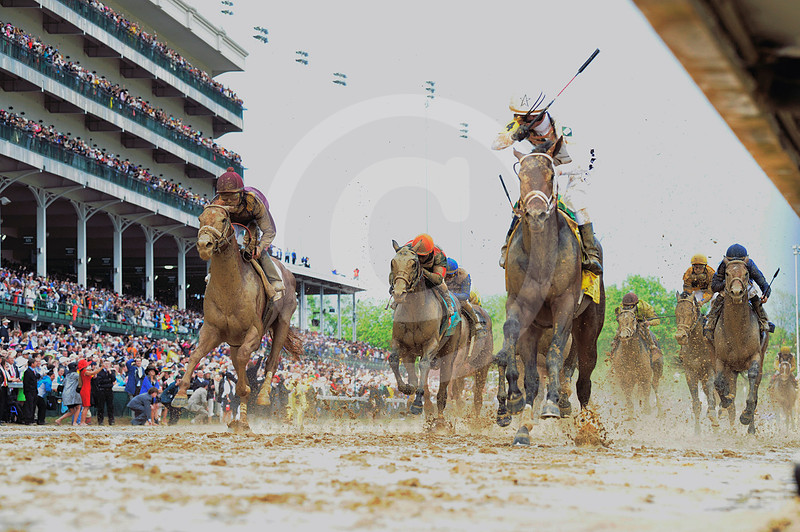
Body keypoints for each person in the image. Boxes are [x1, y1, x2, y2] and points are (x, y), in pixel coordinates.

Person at [492, 92, 602, 275]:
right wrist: (513, 136)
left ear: (534, 116)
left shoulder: (564, 124)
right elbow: (495, 144)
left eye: (522, 119)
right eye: (517, 118)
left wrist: (556, 171)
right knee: (529, 197)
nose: (518, 121)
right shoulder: (520, 123)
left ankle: (591, 253)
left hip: (576, 165)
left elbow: (581, 162)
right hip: (549, 164)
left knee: (574, 198)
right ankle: (507, 246)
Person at [211, 167, 285, 299]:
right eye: (224, 197)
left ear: (240, 194)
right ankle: (212, 273)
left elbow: (269, 230)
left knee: (252, 246)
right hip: (231, 221)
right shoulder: (217, 203)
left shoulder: (254, 202)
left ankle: (275, 281)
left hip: (252, 219)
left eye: (232, 197)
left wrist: (260, 246)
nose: (227, 202)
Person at [704, 243, 772, 341]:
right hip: (728, 286)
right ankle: (710, 322)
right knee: (718, 296)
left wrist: (766, 294)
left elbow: (763, 283)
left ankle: (763, 320)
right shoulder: (723, 265)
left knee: (753, 293)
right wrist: (727, 282)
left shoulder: (750, 264)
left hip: (744, 285)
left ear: (745, 260)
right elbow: (714, 286)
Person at [608, 292, 662, 363]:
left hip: (642, 324)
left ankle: (654, 353)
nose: (627, 308)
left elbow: (657, 320)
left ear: (635, 304)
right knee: (619, 333)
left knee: (650, 334)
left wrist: (649, 322)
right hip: (627, 325)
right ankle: (613, 355)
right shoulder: (619, 308)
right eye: (625, 306)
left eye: (630, 307)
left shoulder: (644, 307)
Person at [398, 234, 449, 303]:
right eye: (417, 255)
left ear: (430, 253)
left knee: (443, 286)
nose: (419, 258)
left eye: (422, 256)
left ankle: (449, 305)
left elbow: (438, 279)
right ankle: (396, 301)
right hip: (412, 269)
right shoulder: (406, 249)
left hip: (431, 272)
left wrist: (422, 269)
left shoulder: (439, 255)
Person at [444, 258, 483, 334]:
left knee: (465, 304)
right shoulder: (440, 272)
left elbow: (465, 295)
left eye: (450, 275)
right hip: (445, 295)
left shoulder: (464, 275)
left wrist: (451, 295)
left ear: (456, 272)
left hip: (459, 297)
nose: (448, 278)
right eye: (447, 275)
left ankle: (476, 321)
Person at [77, 359, 101, 426]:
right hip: (85, 390)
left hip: (86, 389)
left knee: (86, 407)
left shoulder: (83, 371)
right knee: (86, 407)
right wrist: (101, 368)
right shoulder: (84, 371)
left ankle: (82, 421)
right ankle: (82, 422)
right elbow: (93, 373)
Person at [94, 358, 116, 426]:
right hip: (102, 390)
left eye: (108, 364)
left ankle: (111, 420)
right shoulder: (100, 372)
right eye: (105, 364)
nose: (107, 365)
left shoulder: (111, 372)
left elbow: (113, 379)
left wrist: (109, 374)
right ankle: (100, 420)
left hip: (109, 390)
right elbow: (99, 381)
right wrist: (108, 381)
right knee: (101, 406)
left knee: (110, 406)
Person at [21, 357, 39, 425]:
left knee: (33, 405)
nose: (36, 364)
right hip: (29, 392)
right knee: (29, 406)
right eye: (35, 362)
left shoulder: (33, 371)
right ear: (32, 364)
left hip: (34, 391)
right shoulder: (27, 372)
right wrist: (28, 391)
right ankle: (27, 420)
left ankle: (31, 419)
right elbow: (26, 383)